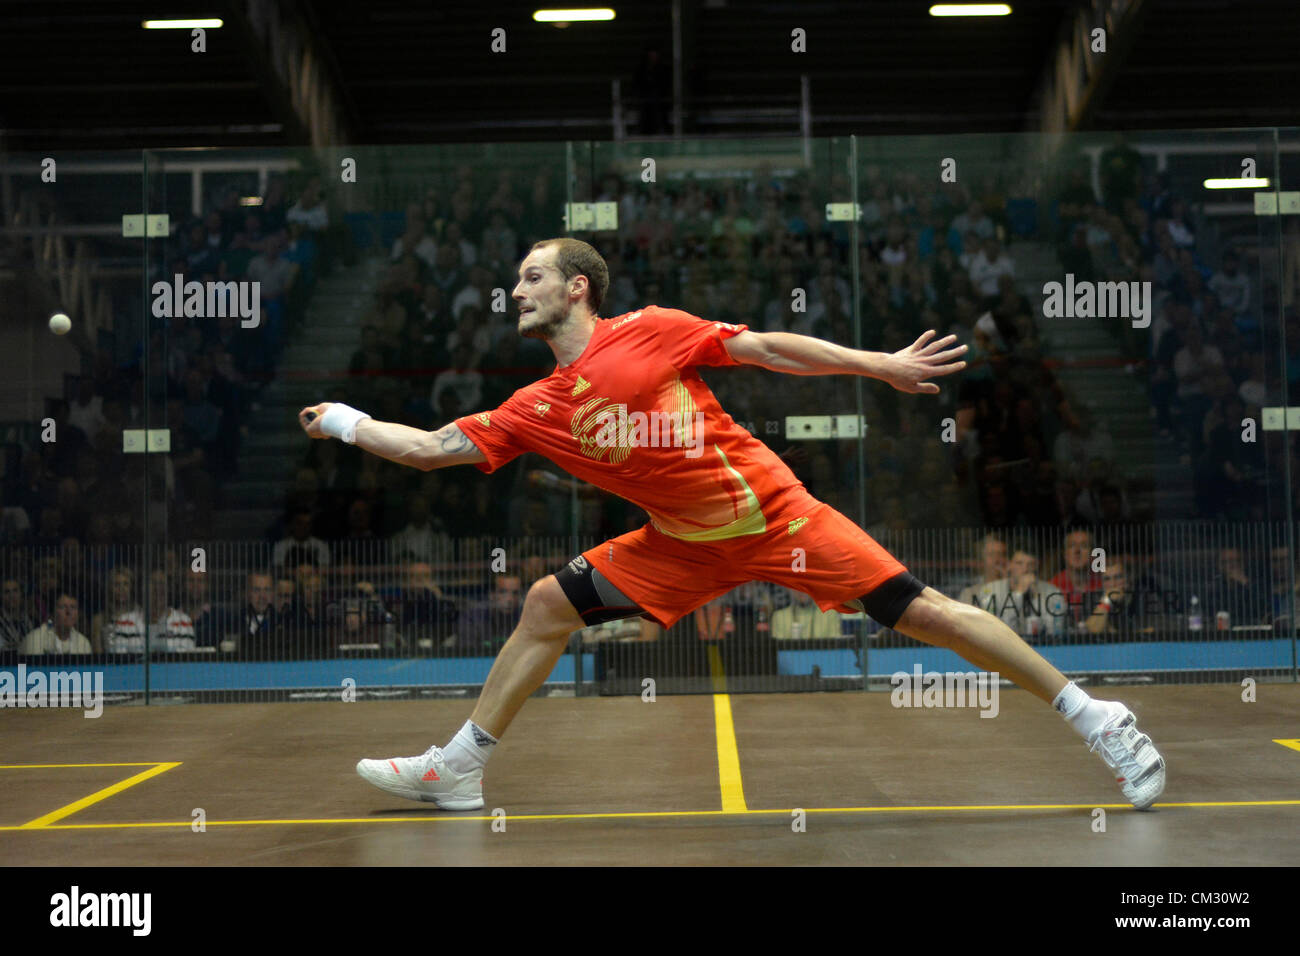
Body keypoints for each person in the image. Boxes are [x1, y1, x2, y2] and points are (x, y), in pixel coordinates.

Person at [299, 237, 1164, 812]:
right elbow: (426, 448)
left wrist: (880, 365)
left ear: (577, 286)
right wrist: (344, 419)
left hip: (772, 514)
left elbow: (765, 348)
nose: (514, 288)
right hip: (677, 544)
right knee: (544, 605)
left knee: (924, 612)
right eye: (515, 278)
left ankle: (1097, 716)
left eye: (531, 275)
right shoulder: (534, 406)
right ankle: (461, 767)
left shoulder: (651, 332)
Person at [21, 591, 92, 655]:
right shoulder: (35, 640)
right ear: (52, 613)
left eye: (73, 607)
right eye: (63, 607)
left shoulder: (83, 643)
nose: (69, 612)